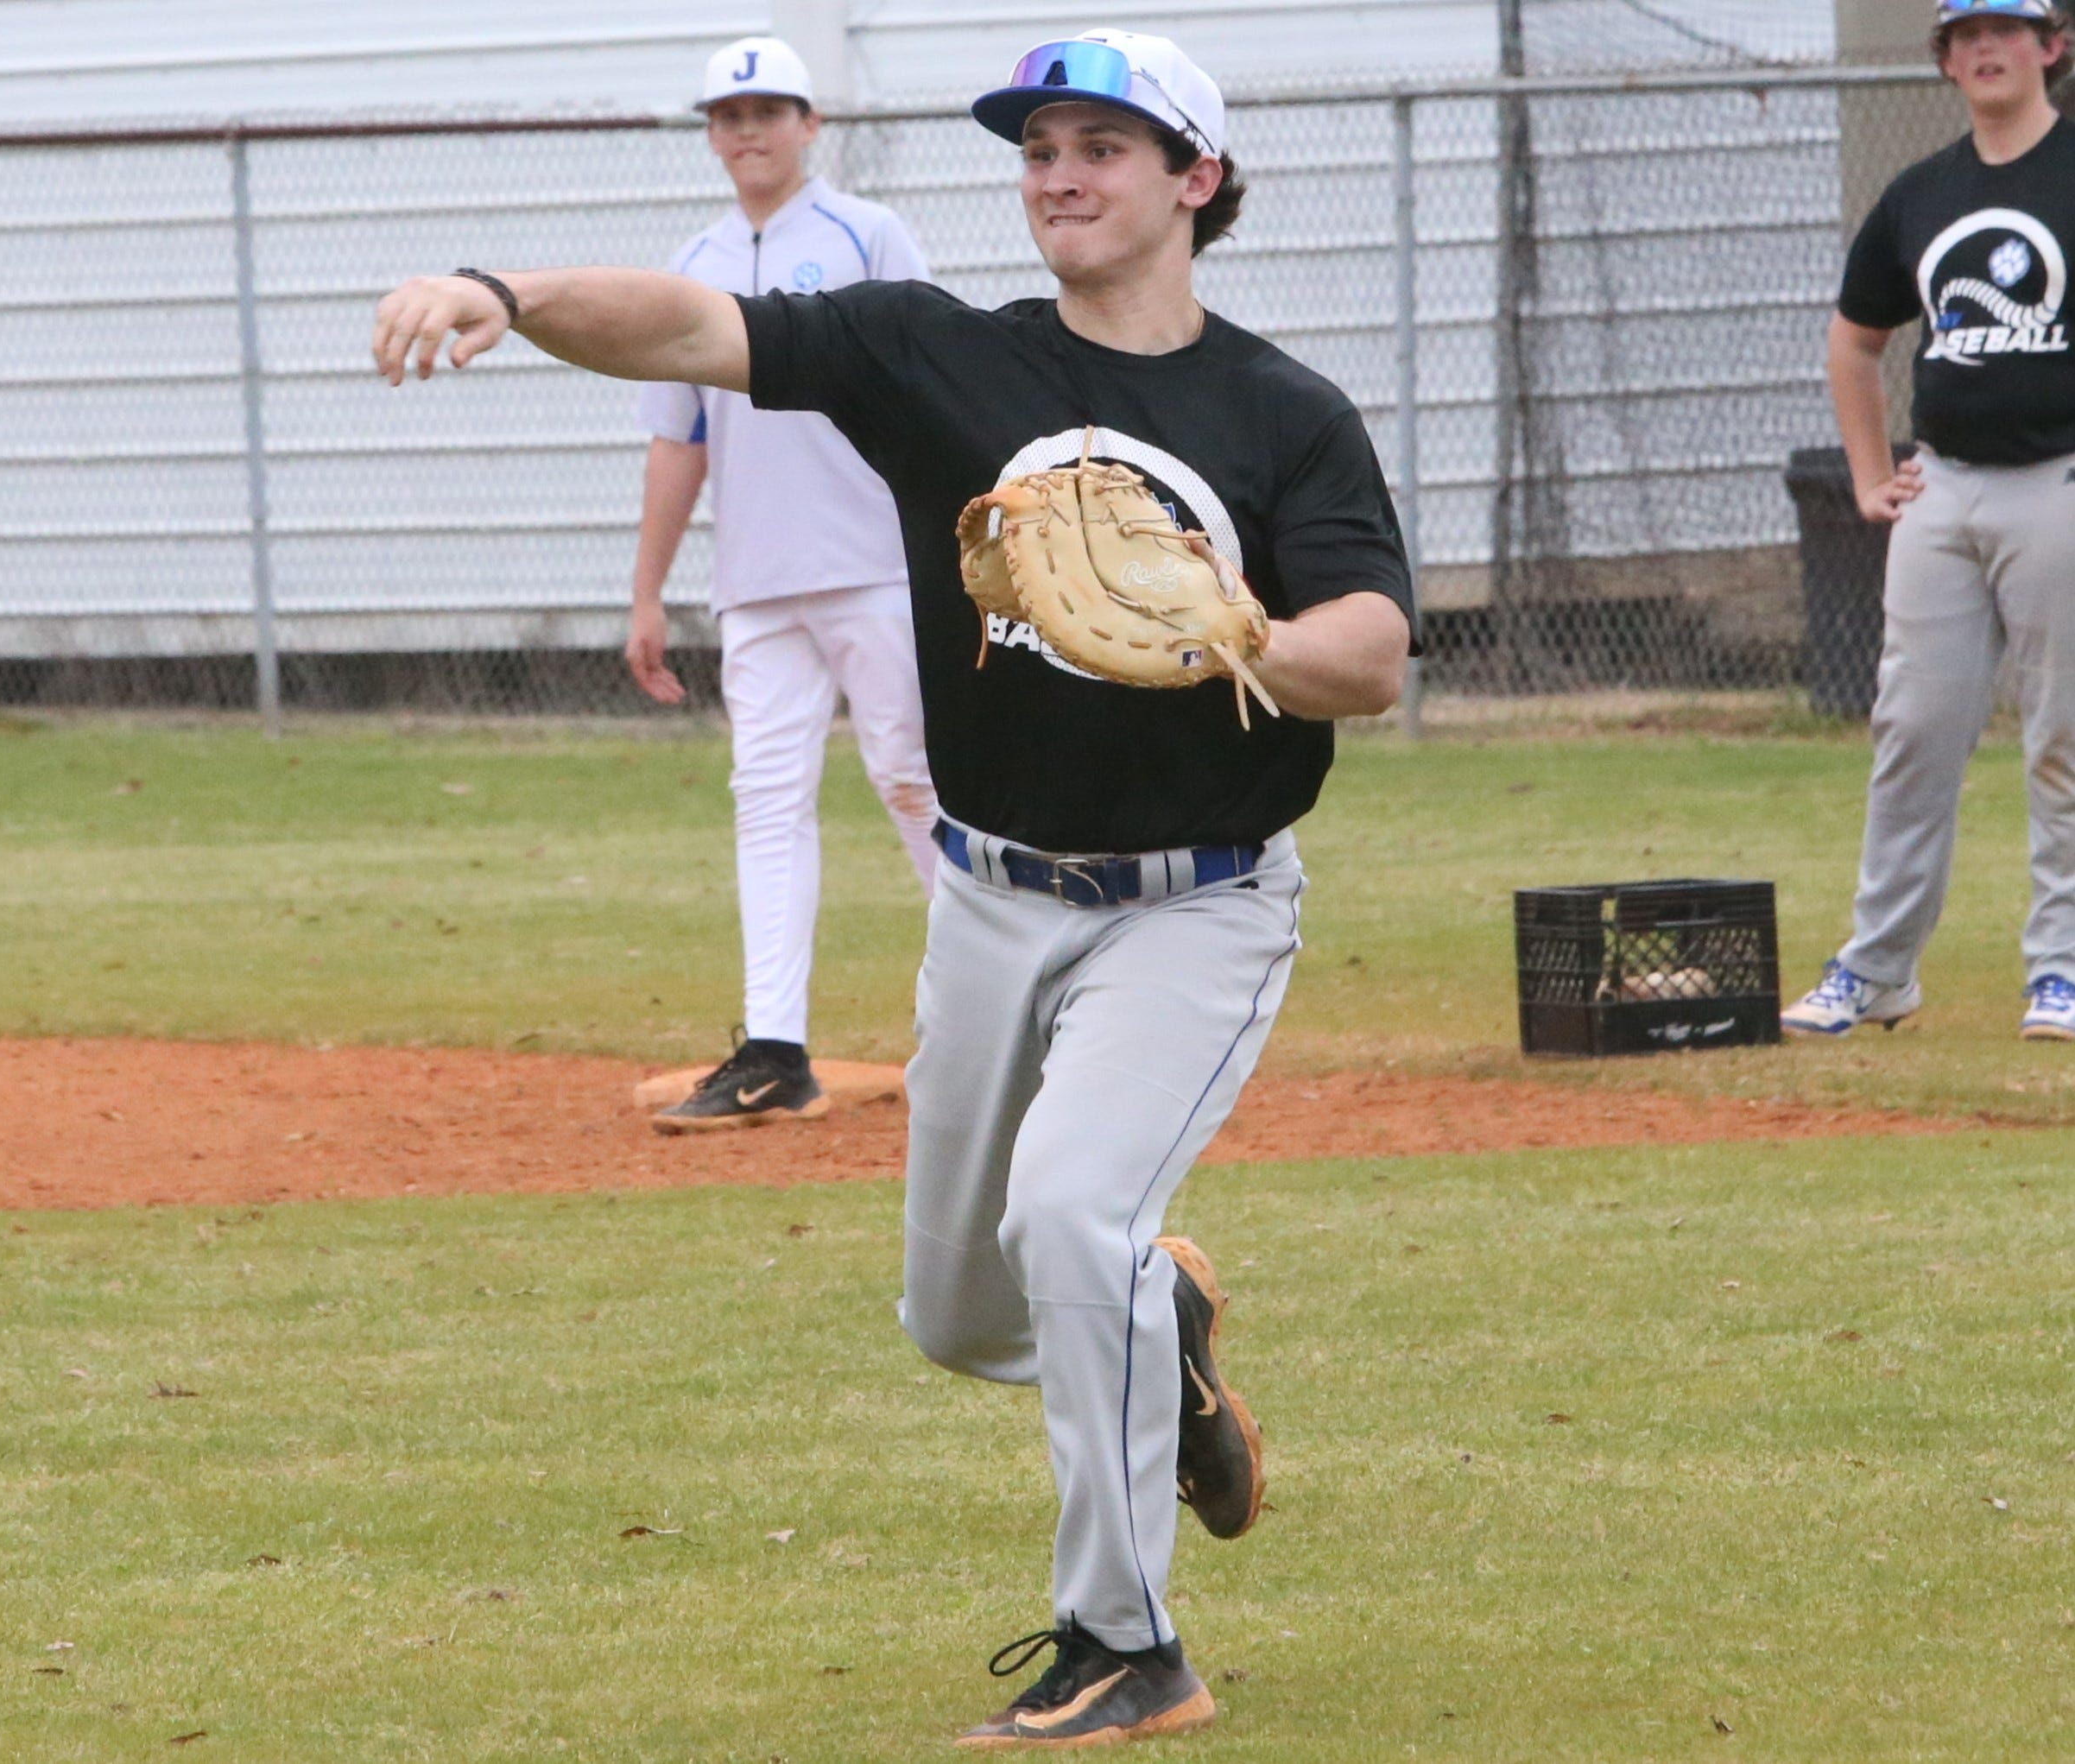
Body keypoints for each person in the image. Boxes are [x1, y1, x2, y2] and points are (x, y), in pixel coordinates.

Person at [373, 27, 1413, 1747]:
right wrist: (502, 285)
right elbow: (692, 328)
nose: (1058, 175)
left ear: (1192, 182)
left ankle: (1123, 1644)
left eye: (1099, 145)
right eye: (1037, 150)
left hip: (1193, 901)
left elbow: (1369, 652)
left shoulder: (1279, 414)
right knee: (956, 1309)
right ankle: (1164, 1335)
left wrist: (1239, 635)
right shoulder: (937, 353)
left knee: (1071, 1212)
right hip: (988, 896)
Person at [626, 35, 943, 1134]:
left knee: (913, 779)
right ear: (711, 134)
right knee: (764, 802)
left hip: (875, 565)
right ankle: (772, 1049)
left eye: (769, 110)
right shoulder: (694, 261)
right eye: (728, 114)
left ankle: (1001, 1013)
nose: (748, 131)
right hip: (756, 582)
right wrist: (647, 592)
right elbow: (679, 437)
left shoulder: (866, 235)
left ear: (811, 124)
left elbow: (934, 385)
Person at [1783, 0, 2075, 1042]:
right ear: (1944, 61)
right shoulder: (1922, 193)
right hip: (1943, 488)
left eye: (2006, 29)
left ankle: (2061, 970)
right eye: (1962, 36)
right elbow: (1853, 339)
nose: (1983, 49)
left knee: (2062, 737)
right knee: (1911, 731)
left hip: (2058, 485)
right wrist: (1871, 475)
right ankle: (1878, 968)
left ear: (2052, 46)